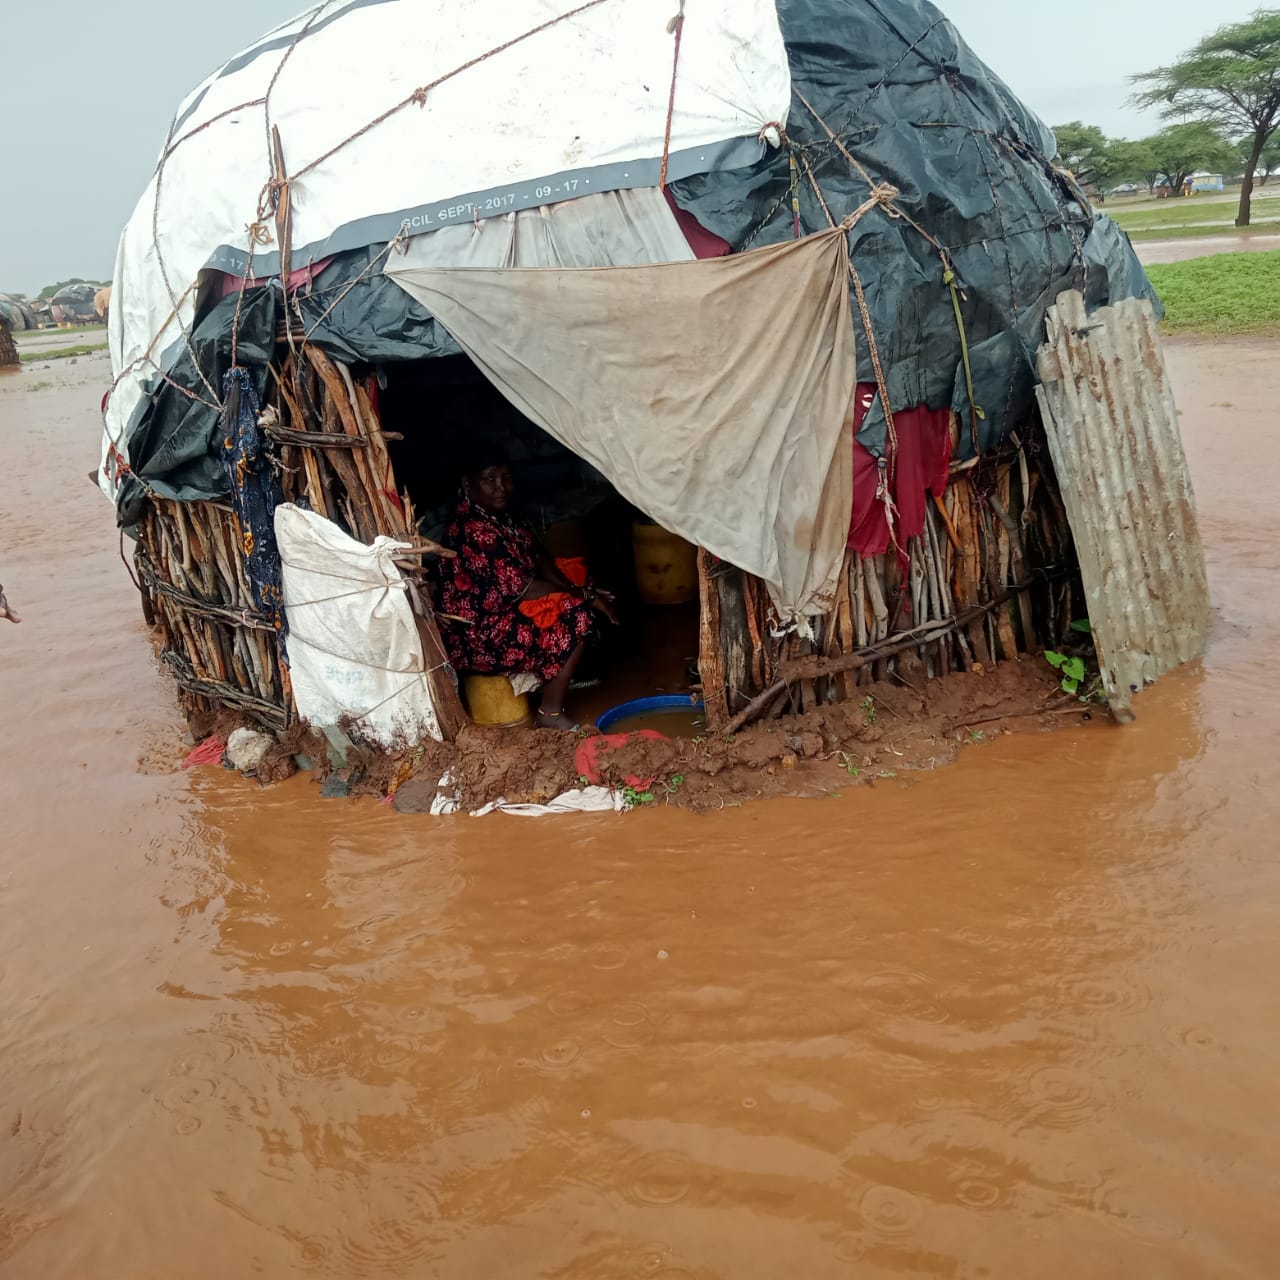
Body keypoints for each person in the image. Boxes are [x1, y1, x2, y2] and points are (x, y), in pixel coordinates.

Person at [437, 451, 618, 729]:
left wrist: (577, 588)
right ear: (467, 484)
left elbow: (539, 557)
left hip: (508, 610)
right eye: (490, 479)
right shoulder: (471, 528)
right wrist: (583, 597)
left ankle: (562, 674)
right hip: (479, 634)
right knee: (576, 615)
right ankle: (549, 713)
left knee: (579, 585)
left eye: (506, 477)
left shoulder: (502, 515)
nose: (501, 487)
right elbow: (525, 587)